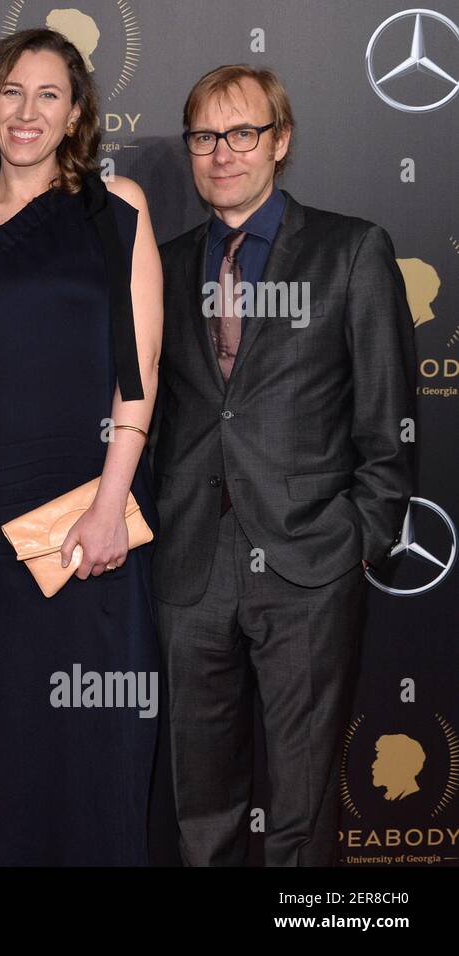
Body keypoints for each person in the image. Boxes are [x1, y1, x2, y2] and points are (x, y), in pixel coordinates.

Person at [155, 65, 416, 866]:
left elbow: (390, 420)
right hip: (191, 563)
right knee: (201, 811)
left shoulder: (351, 249)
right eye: (205, 136)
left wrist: (356, 538)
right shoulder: (161, 265)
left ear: (282, 141)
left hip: (309, 564)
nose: (222, 153)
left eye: (244, 133)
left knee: (303, 814)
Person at [0, 28, 164, 865]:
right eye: (12, 92)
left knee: (97, 755)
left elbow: (138, 374)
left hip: (86, 522)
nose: (27, 112)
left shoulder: (117, 204)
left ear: (77, 115)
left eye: (49, 95)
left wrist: (107, 506)